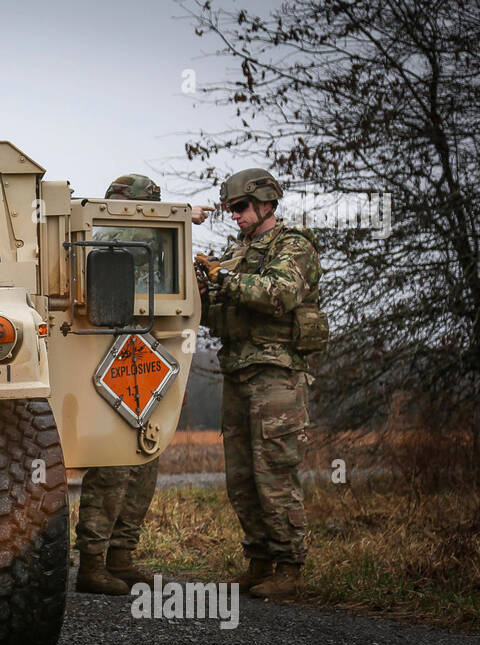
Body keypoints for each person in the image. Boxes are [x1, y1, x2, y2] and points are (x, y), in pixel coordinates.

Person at [75, 174, 207, 595]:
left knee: (144, 462)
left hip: (146, 359)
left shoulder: (151, 247)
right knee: (112, 466)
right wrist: (181, 216)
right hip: (109, 358)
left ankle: (121, 557)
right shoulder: (108, 233)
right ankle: (92, 564)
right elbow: (118, 229)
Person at [198, 168, 326, 599]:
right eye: (231, 209)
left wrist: (222, 279)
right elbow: (217, 306)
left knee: (274, 469)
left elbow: (279, 294)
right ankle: (259, 560)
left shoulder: (294, 245)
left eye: (241, 207)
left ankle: (289, 565)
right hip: (237, 370)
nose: (235, 215)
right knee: (241, 474)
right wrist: (200, 287)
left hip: (276, 374)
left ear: (266, 203)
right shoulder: (238, 252)